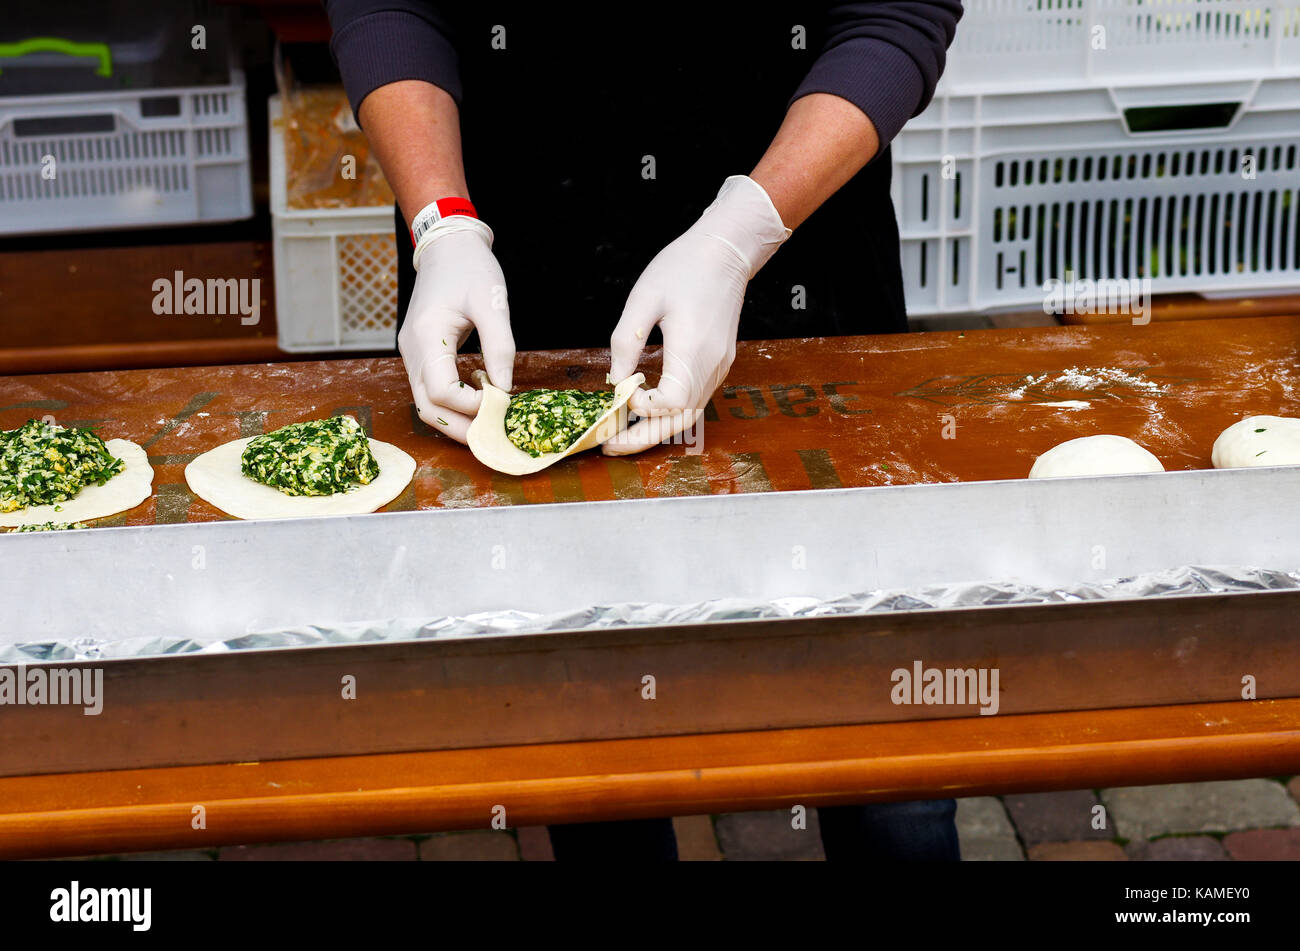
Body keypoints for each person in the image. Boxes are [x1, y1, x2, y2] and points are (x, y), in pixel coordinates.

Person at [325, 1, 963, 860]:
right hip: (528, 271)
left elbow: (894, 15)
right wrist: (442, 223)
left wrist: (740, 234)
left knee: (879, 728)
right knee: (595, 716)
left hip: (799, 254)